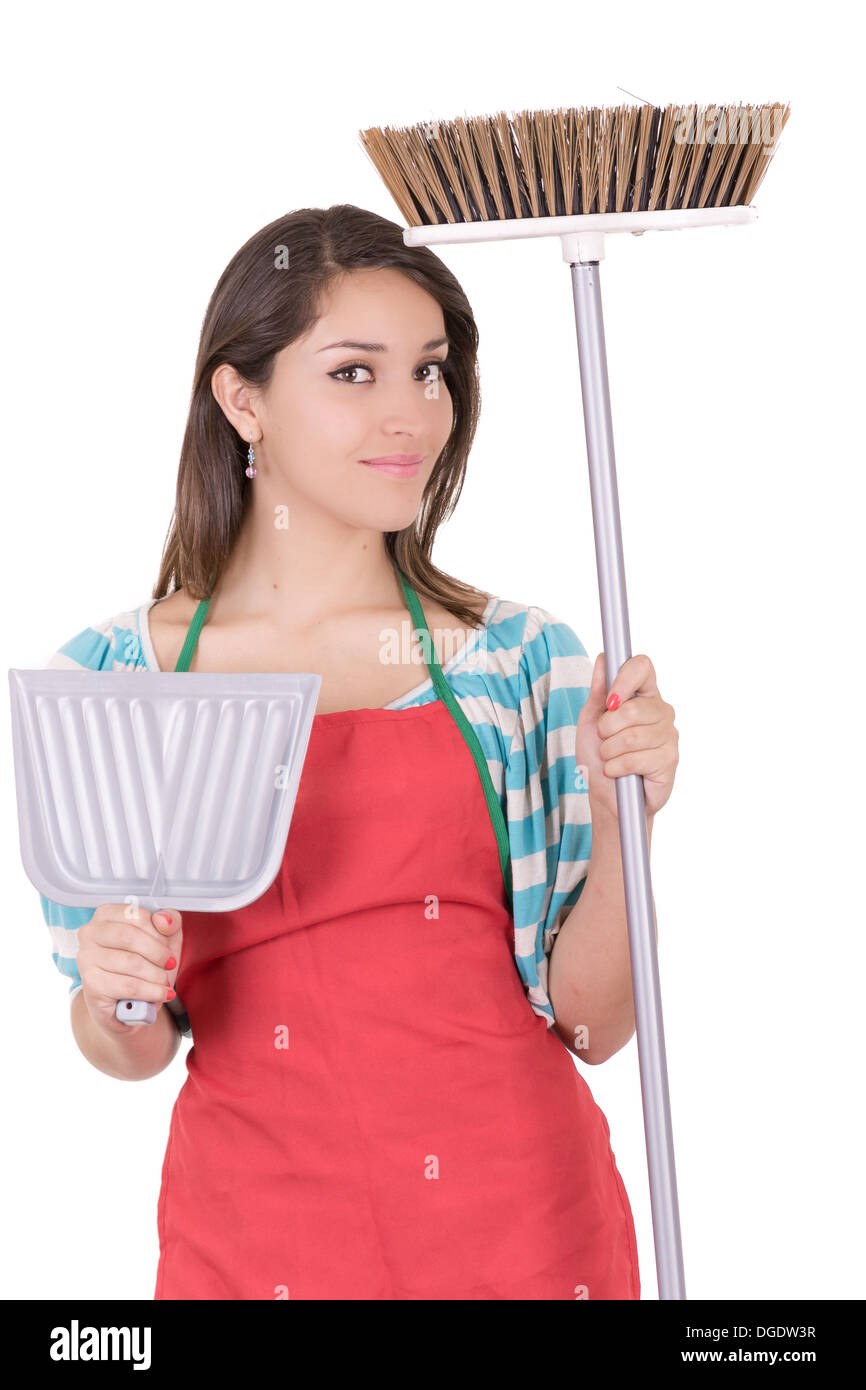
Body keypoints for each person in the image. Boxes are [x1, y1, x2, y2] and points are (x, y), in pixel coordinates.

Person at [40, 204, 678, 1300]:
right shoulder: (115, 684)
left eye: (428, 372)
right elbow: (132, 1051)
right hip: (254, 1238)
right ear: (241, 401)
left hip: (522, 1224)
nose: (408, 417)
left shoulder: (522, 662)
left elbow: (592, 1022)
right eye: (352, 374)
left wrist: (627, 829)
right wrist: (111, 995)